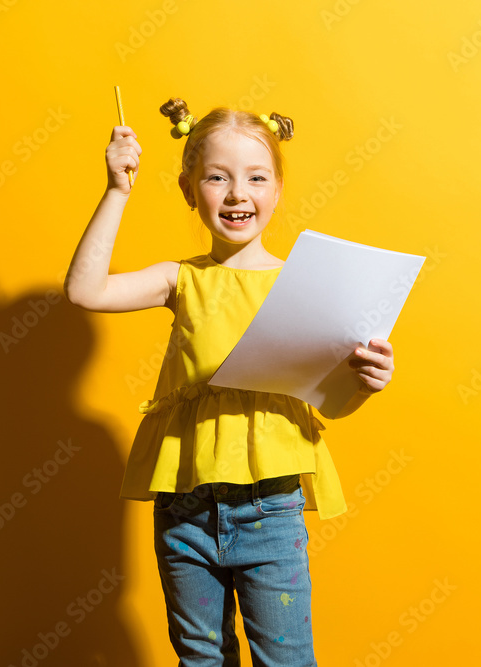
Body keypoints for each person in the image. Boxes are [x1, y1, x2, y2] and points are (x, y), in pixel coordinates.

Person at [64, 96, 396, 665]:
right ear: (188, 190)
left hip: (271, 509)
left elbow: (331, 404)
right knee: (201, 658)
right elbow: (84, 290)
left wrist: (366, 382)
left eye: (256, 178)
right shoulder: (180, 279)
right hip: (185, 509)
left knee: (285, 659)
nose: (238, 193)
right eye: (217, 177)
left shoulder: (308, 289)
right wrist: (117, 190)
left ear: (277, 190)